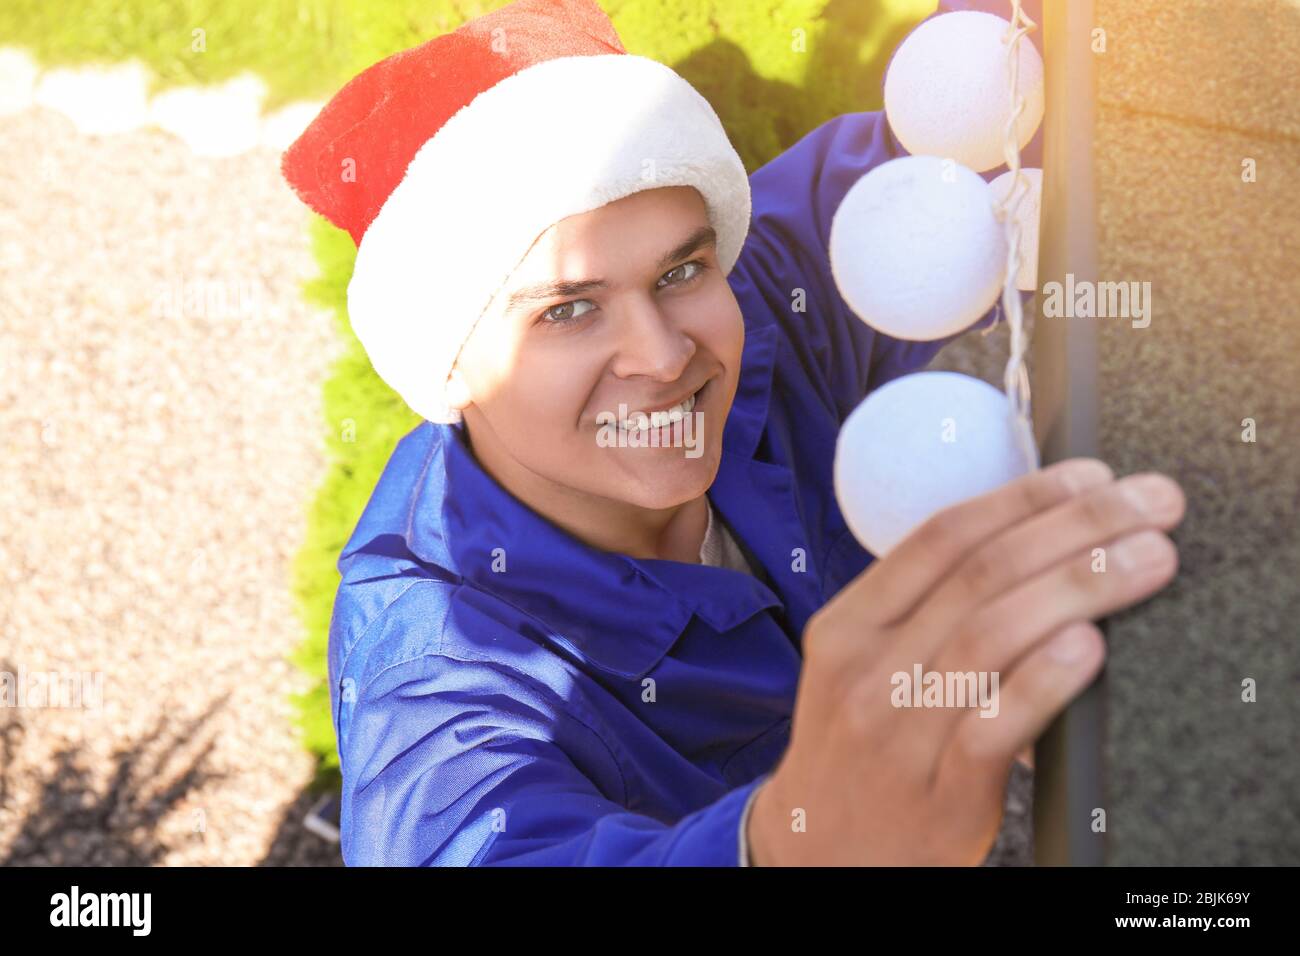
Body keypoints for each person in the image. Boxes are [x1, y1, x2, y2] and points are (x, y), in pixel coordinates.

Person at [282, 0, 1185, 865]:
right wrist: (789, 849)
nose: (665, 353)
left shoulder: (766, 302)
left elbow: (967, 133)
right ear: (444, 370)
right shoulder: (441, 661)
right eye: (567, 311)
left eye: (680, 270)